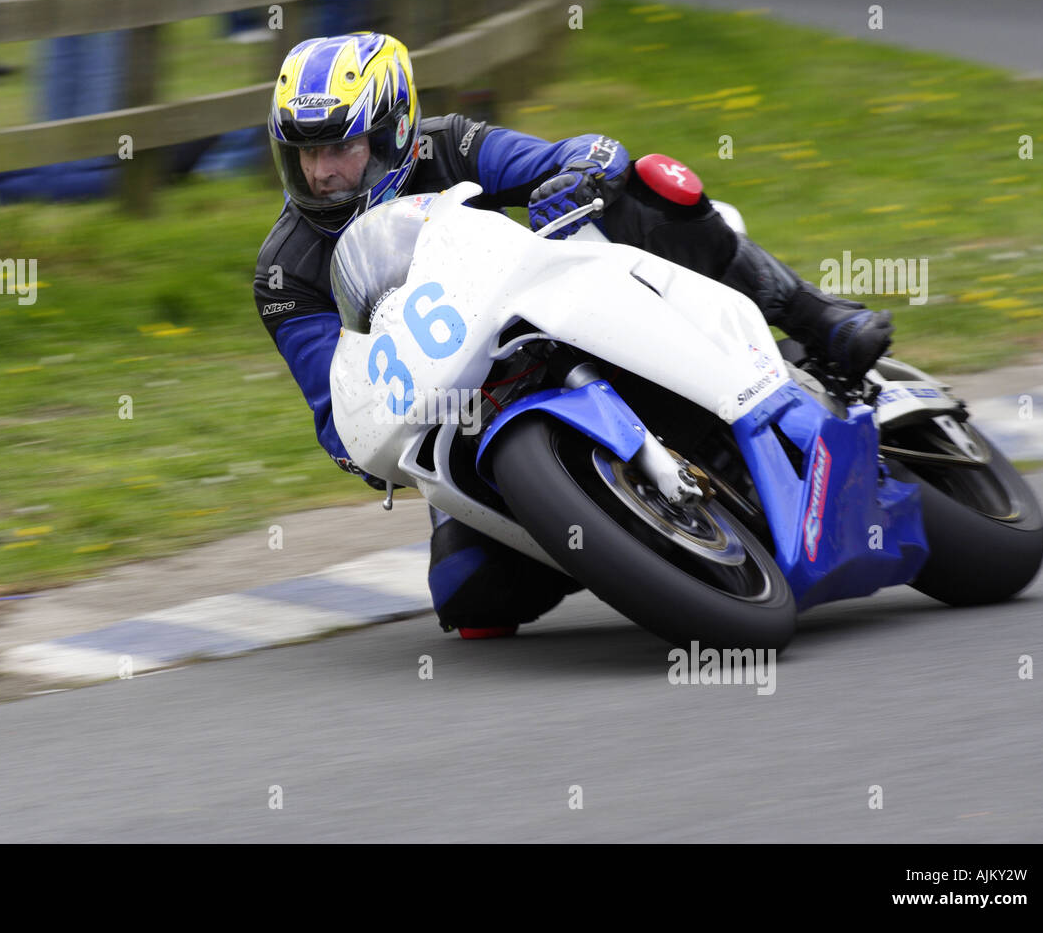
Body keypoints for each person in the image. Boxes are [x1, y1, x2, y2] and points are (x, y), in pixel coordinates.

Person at [253, 32, 892, 638]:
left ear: (394, 132)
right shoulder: (286, 271)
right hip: (463, 415)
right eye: (306, 154)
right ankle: (624, 532)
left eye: (339, 148)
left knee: (647, 184)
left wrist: (577, 176)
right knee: (473, 606)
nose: (322, 174)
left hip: (555, 317)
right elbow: (334, 404)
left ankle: (817, 317)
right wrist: (366, 444)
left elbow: (583, 152)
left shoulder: (447, 145)